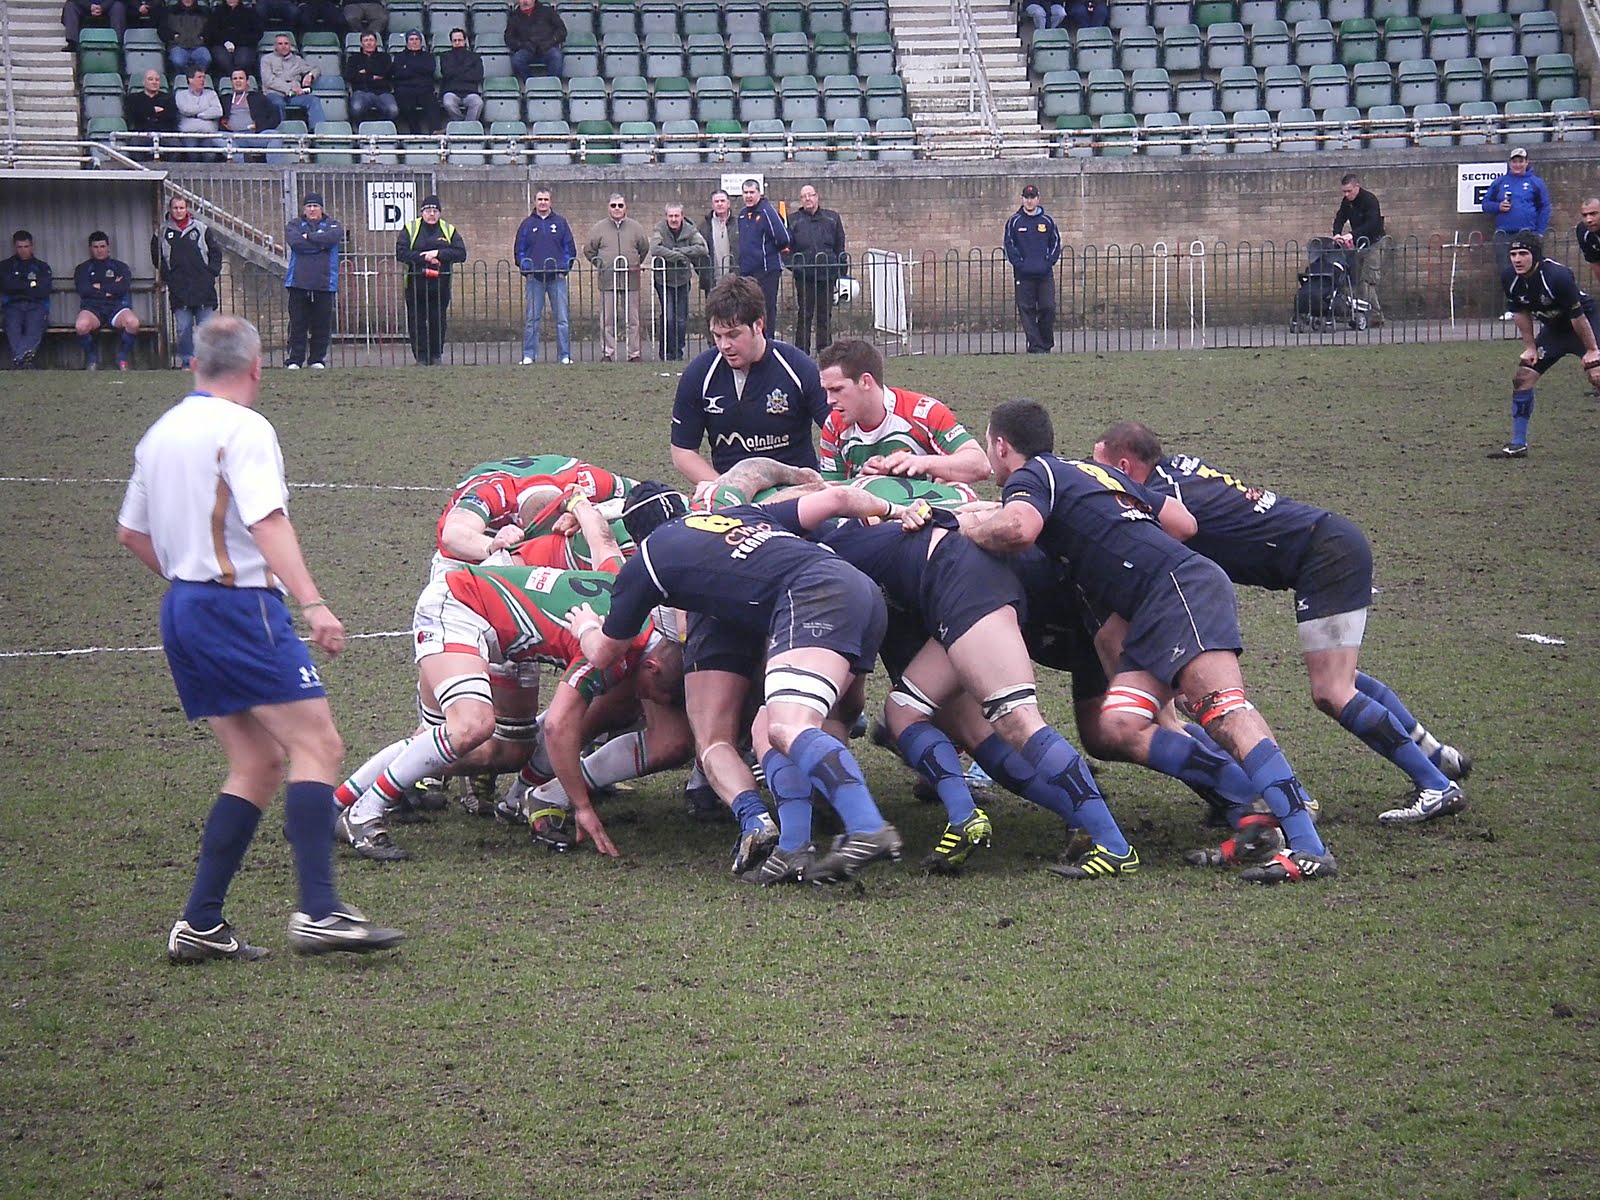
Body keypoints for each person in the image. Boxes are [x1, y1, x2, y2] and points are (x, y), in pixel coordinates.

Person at [115, 315, 403, 961]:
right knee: (318, 743)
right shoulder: (244, 428)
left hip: (183, 608)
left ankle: (201, 923)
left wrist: (192, 582)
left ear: (194, 366)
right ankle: (321, 912)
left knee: (257, 763)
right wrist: (315, 604)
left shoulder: (159, 433)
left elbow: (131, 534)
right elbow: (268, 523)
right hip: (240, 608)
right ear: (255, 368)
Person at [959, 399, 1338, 885]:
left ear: (1000, 445)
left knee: (1224, 713)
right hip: (1160, 598)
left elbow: (1018, 528)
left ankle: (1307, 845)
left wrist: (971, 523)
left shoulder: (1031, 476)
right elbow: (1183, 522)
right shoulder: (1089, 474)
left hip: (1178, 588)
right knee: (1116, 727)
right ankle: (1254, 813)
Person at [1094, 420, 1473, 825]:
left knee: (1332, 690)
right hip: (1330, 544)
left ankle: (1436, 785)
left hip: (1325, 557)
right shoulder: (1178, 471)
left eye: (1101, 470)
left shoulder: (1165, 498)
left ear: (1125, 465)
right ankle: (1435, 756)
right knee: (1343, 677)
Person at [568, 482, 906, 884]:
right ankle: (793, 849)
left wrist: (586, 627)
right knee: (769, 726)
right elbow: (839, 498)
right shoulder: (737, 515)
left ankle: (867, 826)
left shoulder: (648, 558)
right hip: (859, 590)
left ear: (636, 535)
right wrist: (896, 510)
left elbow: (606, 653)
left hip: (813, 596)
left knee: (786, 725)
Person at [670, 275, 831, 484]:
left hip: (797, 496)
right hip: (736, 501)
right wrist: (726, 492)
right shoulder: (699, 374)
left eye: (733, 335)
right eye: (717, 336)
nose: (724, 345)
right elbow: (682, 451)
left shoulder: (797, 368)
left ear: (758, 325)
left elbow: (838, 429)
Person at [815, 339, 993, 486]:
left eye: (837, 389)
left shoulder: (922, 412)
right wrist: (864, 482)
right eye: (827, 391)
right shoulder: (833, 425)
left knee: (957, 488)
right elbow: (831, 493)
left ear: (865, 382)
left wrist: (920, 463)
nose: (829, 400)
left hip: (928, 517)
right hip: (872, 521)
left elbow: (980, 464)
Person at [1487, 230, 1600, 460]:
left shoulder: (1557, 276)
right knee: (1523, 377)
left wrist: (1591, 351)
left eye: (1523, 253)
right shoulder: (1510, 277)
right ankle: (1518, 445)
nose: (1517, 259)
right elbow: (1520, 312)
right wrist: (1530, 347)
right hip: (1555, 332)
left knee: (1597, 376)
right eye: (1513, 254)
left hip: (1586, 326)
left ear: (1535, 255)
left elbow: (1578, 317)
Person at [152, 195, 222, 370]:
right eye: (175, 208)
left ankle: (206, 363)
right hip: (179, 290)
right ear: (170, 209)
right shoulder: (161, 233)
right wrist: (169, 277)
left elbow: (215, 253)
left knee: (205, 330)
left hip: (203, 289)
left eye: (182, 208)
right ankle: (187, 361)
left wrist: (210, 274)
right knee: (183, 329)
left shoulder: (201, 229)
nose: (179, 211)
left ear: (187, 209)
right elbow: (157, 258)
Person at [1481, 148, 1551, 321]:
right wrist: (1498, 207)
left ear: (1527, 163)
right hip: (1504, 234)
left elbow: (1545, 207)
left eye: (1521, 161)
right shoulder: (1500, 182)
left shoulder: (1536, 182)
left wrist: (1540, 231)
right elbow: (1485, 204)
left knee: (1533, 270)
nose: (1518, 164)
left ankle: (1537, 307)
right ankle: (1513, 307)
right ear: (1509, 163)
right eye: (1514, 161)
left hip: (1527, 233)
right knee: (1507, 271)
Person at [396, 195, 466, 365]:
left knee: (438, 321)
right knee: (416, 321)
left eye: (435, 211)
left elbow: (461, 253)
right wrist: (424, 258)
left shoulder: (449, 230)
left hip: (440, 285)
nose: (432, 214)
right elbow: (401, 253)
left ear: (440, 213)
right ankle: (421, 357)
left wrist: (439, 254)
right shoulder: (410, 229)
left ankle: (436, 356)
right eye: (428, 211)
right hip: (415, 284)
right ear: (422, 212)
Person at [584, 193, 651, 363]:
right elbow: (589, 250)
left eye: (620, 205)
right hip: (608, 280)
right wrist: (601, 265)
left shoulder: (636, 227)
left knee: (633, 320)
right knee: (607, 320)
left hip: (631, 280)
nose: (617, 209)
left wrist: (635, 263)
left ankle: (634, 354)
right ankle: (608, 353)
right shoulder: (599, 228)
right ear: (608, 207)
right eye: (613, 205)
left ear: (625, 207)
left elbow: (644, 247)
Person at [515, 189, 576, 365]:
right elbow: (520, 249)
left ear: (551, 201)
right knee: (532, 319)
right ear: (535, 202)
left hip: (556, 278)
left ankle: (564, 355)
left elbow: (569, 248)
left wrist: (563, 269)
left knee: (562, 319)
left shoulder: (561, 223)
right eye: (540, 199)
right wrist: (527, 269)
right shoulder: (527, 224)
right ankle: (529, 355)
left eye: (546, 199)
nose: (543, 202)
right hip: (535, 279)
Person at [283, 192, 342, 370]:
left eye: (315, 206)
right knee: (297, 323)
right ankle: (295, 359)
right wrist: (320, 246)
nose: (312, 209)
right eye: (309, 206)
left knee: (322, 324)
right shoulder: (294, 224)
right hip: (298, 282)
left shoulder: (333, 224)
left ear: (321, 208)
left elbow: (331, 239)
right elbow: (295, 244)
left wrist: (309, 237)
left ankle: (317, 359)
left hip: (325, 283)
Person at [787, 184, 847, 357]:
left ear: (817, 197)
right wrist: (795, 266)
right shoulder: (793, 220)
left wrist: (841, 271)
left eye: (810, 195)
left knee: (824, 314)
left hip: (827, 273)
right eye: (803, 196)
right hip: (804, 274)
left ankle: (825, 350)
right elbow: (786, 249)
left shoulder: (832, 218)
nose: (807, 199)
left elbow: (839, 245)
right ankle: (801, 352)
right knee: (804, 313)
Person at [1004, 183, 1060, 354]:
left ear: (1038, 199)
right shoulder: (1014, 222)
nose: (1029, 201)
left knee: (1048, 307)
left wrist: (1048, 262)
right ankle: (1035, 346)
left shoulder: (1047, 221)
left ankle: (1046, 343)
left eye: (1032, 197)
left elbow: (1056, 243)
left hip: (1044, 274)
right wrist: (1020, 264)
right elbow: (1009, 246)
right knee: (1026, 310)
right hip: (1024, 275)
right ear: (1022, 199)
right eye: (1027, 198)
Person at [649, 203, 709, 362]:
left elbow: (703, 248)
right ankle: (666, 352)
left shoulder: (690, 230)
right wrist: (678, 257)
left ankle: (678, 352)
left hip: (682, 279)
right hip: (663, 280)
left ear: (682, 216)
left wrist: (680, 251)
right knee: (668, 317)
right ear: (666, 216)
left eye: (676, 216)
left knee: (681, 319)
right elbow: (654, 248)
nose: (673, 219)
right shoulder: (660, 229)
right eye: (670, 216)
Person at [74, 231, 140, 371]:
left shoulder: (120, 267)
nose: (99, 250)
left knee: (133, 323)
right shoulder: (83, 269)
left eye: (102, 246)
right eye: (95, 247)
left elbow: (122, 288)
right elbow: (84, 290)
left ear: (108, 247)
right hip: (92, 308)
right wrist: (110, 289)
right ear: (90, 248)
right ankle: (92, 359)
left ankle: (122, 358)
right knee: (81, 326)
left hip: (116, 307)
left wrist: (99, 287)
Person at [1332, 172, 1389, 327]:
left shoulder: (1370, 200)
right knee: (1352, 280)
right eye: (1344, 191)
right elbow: (1340, 217)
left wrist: (1351, 234)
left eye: (1349, 191)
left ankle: (1376, 316)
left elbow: (1372, 223)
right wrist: (1337, 233)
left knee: (1368, 280)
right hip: (1359, 244)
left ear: (1357, 187)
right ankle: (1357, 313)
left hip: (1374, 243)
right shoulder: (1347, 202)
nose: (1346, 194)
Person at [736, 178, 790, 335]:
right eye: (745, 192)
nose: (748, 196)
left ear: (759, 193)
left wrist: (767, 253)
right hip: (748, 271)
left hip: (767, 271)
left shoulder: (767, 211)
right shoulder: (742, 215)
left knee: (766, 309)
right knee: (750, 309)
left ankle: (768, 342)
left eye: (752, 192)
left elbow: (783, 237)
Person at [1, 231, 53, 370]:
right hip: (13, 305)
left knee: (35, 327)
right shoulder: (6, 266)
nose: (23, 250)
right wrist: (30, 284)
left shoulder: (42, 267)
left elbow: (43, 290)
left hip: (36, 305)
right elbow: (7, 286)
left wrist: (19, 285)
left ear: (32, 246)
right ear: (14, 247)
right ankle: (23, 361)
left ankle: (18, 359)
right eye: (20, 247)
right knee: (12, 326)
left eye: (26, 246)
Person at [259, 32, 326, 127]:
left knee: (313, 100)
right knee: (277, 103)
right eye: (280, 44)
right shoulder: (266, 60)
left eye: (286, 44)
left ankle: (317, 131)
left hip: (295, 96)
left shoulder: (297, 60)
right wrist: (289, 88)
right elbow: (268, 80)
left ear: (290, 46)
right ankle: (281, 132)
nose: (283, 46)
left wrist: (310, 75)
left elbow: (316, 69)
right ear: (275, 46)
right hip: (274, 94)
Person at [220, 67, 282, 160]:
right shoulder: (224, 99)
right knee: (216, 137)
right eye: (235, 79)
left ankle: (274, 170)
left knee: (275, 136)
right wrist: (223, 124)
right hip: (233, 137)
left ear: (247, 81)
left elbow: (276, 116)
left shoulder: (258, 97)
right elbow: (217, 117)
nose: (238, 81)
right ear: (231, 82)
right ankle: (242, 167)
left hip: (254, 135)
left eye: (241, 78)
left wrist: (258, 125)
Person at [346, 30, 399, 125]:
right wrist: (373, 76)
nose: (369, 43)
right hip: (361, 91)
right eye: (366, 40)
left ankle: (382, 127)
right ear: (361, 43)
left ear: (376, 43)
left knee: (393, 110)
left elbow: (388, 74)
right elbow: (350, 76)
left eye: (371, 40)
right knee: (356, 108)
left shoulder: (385, 57)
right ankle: (362, 129)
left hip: (382, 92)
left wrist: (364, 73)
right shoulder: (353, 58)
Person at [392, 29, 439, 135]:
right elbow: (398, 74)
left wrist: (408, 67)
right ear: (407, 42)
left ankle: (436, 131)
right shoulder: (399, 57)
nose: (414, 41)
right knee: (406, 104)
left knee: (432, 103)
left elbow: (430, 70)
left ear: (421, 41)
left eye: (417, 39)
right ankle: (415, 132)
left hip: (424, 89)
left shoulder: (428, 56)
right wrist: (419, 69)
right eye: (411, 39)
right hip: (405, 90)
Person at [506, 0, 566, 82]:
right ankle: (531, 83)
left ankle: (551, 85)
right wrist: (523, 45)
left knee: (556, 57)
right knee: (517, 60)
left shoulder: (547, 11)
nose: (525, 1)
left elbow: (562, 31)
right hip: (527, 49)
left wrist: (549, 43)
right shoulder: (514, 16)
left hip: (547, 48)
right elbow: (509, 38)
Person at [204, 0, 263, 80]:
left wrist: (239, 42)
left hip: (244, 45)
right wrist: (225, 42)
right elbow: (211, 32)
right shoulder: (217, 13)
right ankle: (234, 79)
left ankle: (239, 80)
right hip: (221, 45)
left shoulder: (249, 12)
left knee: (243, 60)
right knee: (222, 59)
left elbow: (257, 32)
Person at [174, 64, 224, 154]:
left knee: (210, 154)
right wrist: (207, 109)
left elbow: (218, 111)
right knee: (192, 152)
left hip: (209, 134)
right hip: (189, 134)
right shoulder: (180, 94)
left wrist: (198, 115)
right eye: (199, 77)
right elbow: (186, 110)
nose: (202, 80)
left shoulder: (211, 94)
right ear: (190, 79)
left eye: (204, 77)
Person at [439, 27, 485, 124]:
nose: (457, 42)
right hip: (451, 92)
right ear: (451, 42)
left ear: (465, 41)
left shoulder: (474, 56)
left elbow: (478, 75)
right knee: (448, 102)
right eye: (454, 40)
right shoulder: (445, 56)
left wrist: (456, 72)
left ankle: (467, 127)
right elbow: (446, 73)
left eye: (459, 40)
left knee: (478, 102)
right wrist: (466, 70)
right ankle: (463, 124)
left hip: (470, 92)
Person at [702, 189, 740, 294]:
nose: (719, 204)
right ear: (712, 205)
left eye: (722, 201)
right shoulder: (704, 227)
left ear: (728, 203)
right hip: (713, 281)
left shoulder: (739, 224)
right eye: (716, 201)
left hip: (735, 280)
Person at [125, 68, 180, 138]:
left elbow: (171, 116)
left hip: (164, 135)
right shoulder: (134, 98)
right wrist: (153, 110)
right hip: (141, 134)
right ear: (144, 82)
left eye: (157, 80)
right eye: (150, 79)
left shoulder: (168, 98)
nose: (154, 82)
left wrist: (146, 112)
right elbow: (134, 115)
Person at [160, 0, 210, 75]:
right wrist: (173, 36)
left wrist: (203, 37)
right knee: (178, 60)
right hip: (177, 46)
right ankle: (183, 79)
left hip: (198, 46)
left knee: (206, 58)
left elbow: (211, 28)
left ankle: (198, 79)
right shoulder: (170, 11)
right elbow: (162, 29)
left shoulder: (203, 12)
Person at [62, 0, 127, 49]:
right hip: (85, 5)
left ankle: (118, 42)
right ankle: (72, 43)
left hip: (108, 5)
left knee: (118, 7)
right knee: (70, 5)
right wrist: (89, 6)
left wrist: (103, 7)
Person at [1576, 196, 1600, 288]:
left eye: (1593, 214)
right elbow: (1595, 262)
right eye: (1584, 215)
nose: (1588, 220)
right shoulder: (1583, 231)